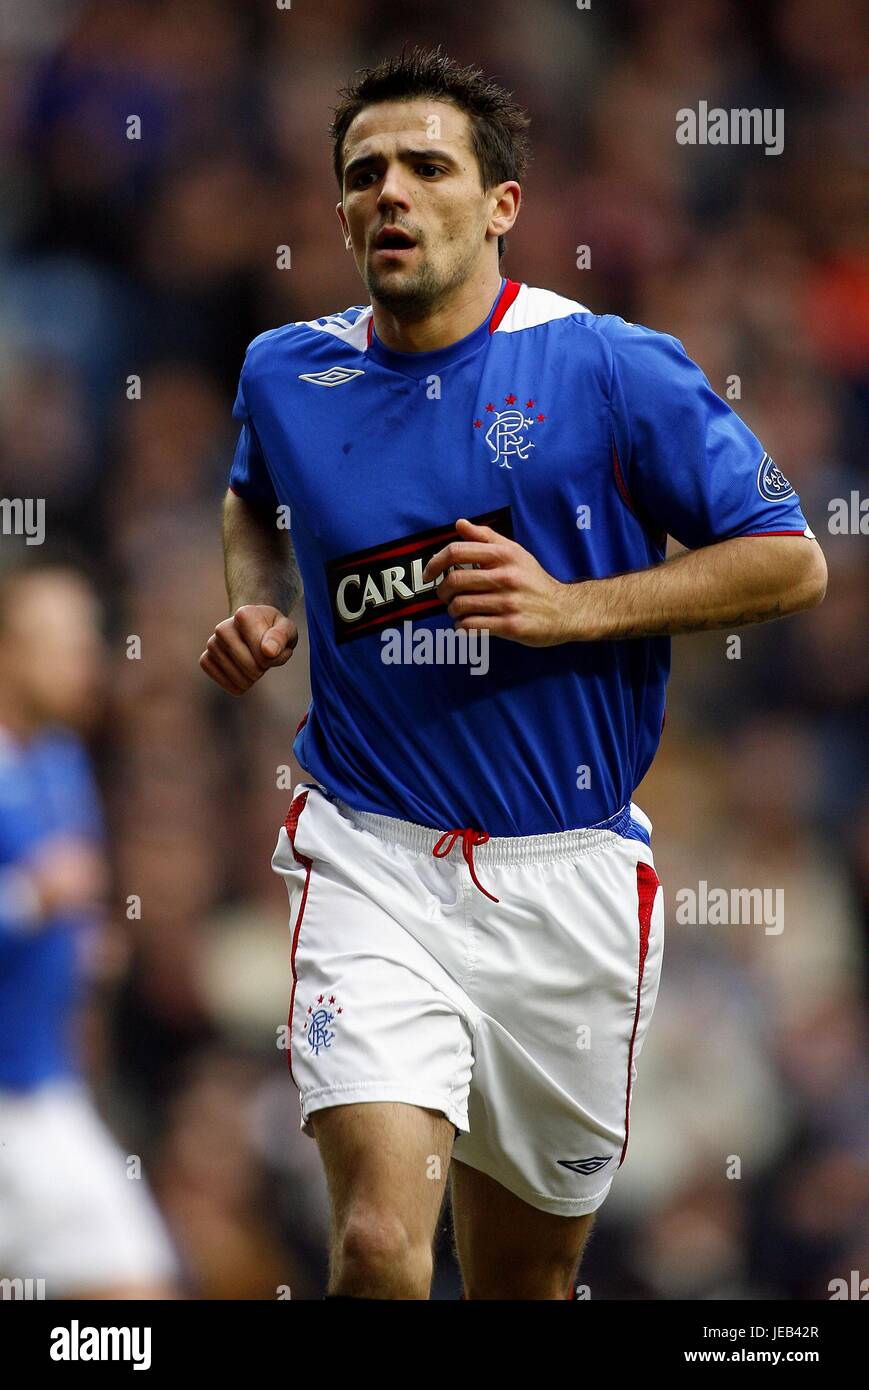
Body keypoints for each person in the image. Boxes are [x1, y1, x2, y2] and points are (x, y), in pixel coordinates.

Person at [200, 47, 827, 1300]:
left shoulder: (607, 365)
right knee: (380, 1241)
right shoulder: (285, 370)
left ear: (500, 205)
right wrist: (259, 607)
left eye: (426, 166)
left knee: (521, 1281)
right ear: (336, 210)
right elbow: (249, 502)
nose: (389, 191)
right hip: (367, 849)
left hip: (571, 879)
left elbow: (788, 563)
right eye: (362, 172)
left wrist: (572, 607)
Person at [0, 557, 179, 1299]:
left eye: (90, 642)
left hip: (42, 1085)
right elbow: (33, 898)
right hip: (17, 1102)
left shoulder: (63, 763)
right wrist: (26, 903)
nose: (88, 663)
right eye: (64, 643)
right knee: (131, 1293)